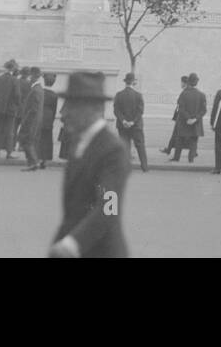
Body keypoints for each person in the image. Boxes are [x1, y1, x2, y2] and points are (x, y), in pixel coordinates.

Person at [48, 71, 131, 259]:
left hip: (103, 251)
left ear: (92, 108)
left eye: (71, 106)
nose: (64, 113)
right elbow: (72, 215)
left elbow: (109, 208)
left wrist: (70, 245)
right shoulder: (80, 144)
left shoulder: (113, 150)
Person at [113, 72, 148, 173]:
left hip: (122, 125)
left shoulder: (119, 95)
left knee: (125, 146)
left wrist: (123, 120)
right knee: (140, 145)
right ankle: (144, 167)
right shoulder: (138, 95)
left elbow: (116, 110)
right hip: (136, 126)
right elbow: (140, 111)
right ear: (134, 82)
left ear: (125, 82)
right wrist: (132, 122)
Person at [0, 61, 21, 159]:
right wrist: (18, 105)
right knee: (10, 131)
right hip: (11, 109)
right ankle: (9, 152)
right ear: (13, 68)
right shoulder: (15, 80)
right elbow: (17, 95)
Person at [170, 73, 206, 163]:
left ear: (189, 82)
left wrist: (188, 118)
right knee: (194, 141)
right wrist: (195, 119)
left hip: (184, 122)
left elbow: (181, 109)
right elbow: (203, 110)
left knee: (179, 139)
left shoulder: (183, 94)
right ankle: (191, 160)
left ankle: (176, 158)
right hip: (196, 123)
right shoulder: (201, 95)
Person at [20, 69, 47, 171]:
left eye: (30, 77)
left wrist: (25, 120)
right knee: (30, 141)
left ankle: (34, 162)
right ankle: (32, 162)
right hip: (35, 120)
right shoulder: (39, 89)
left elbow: (33, 109)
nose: (28, 79)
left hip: (31, 120)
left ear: (33, 77)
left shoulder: (35, 90)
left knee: (27, 141)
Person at [160, 76, 189, 156]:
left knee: (180, 135)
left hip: (182, 117)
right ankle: (169, 150)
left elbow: (181, 105)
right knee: (176, 135)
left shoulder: (185, 92)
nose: (181, 84)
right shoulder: (185, 91)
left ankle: (192, 151)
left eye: (181, 82)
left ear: (184, 83)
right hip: (180, 117)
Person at [37, 72, 59, 167]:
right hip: (49, 117)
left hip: (38, 116)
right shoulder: (54, 95)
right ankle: (44, 159)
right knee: (46, 140)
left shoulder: (39, 92)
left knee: (37, 138)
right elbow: (54, 109)